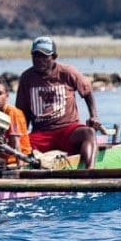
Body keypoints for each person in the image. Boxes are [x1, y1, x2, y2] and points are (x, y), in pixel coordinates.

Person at [15, 36, 103, 168]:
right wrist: (19, 138)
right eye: (36, 56)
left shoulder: (67, 72)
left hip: (67, 130)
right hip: (41, 133)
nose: (39, 60)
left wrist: (93, 115)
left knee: (88, 133)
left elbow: (87, 92)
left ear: (54, 57)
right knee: (15, 143)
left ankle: (89, 171)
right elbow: (21, 113)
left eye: (44, 56)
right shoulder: (26, 78)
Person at [0, 76, 32, 165]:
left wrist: (20, 168)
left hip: (18, 158)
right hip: (0, 159)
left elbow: (17, 143)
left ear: (6, 96)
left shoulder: (12, 112)